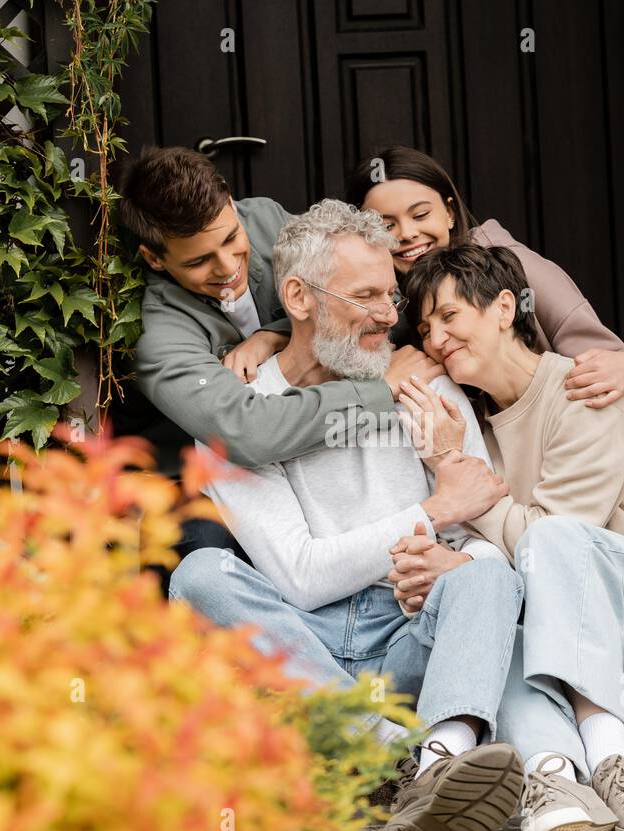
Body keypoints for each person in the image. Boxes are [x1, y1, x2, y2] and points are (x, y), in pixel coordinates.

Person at [167, 200, 533, 831]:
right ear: (298, 298)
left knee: (486, 570)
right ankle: (405, 760)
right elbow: (301, 578)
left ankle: (439, 761)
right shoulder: (245, 413)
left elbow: (478, 517)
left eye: (391, 295)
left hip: (407, 640)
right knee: (198, 577)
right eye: (365, 297)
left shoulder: (426, 386)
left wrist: (457, 557)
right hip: (301, 656)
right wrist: (430, 513)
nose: (389, 315)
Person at [392, 241, 624, 831]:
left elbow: (544, 540)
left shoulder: (584, 390)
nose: (438, 339)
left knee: (551, 538)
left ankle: (613, 762)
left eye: (449, 316)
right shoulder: (475, 427)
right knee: (496, 633)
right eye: (425, 330)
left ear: (505, 308)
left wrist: (456, 475)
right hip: (596, 654)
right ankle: (554, 784)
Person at [116, 146, 442, 582]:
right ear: (154, 258)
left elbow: (377, 294)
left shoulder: (268, 221)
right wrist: (379, 390)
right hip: (211, 476)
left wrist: (272, 335)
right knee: (199, 548)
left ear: (232, 204)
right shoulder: (158, 331)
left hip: (315, 447)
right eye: (198, 261)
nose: (227, 267)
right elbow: (246, 434)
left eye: (231, 239)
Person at [344, 144, 624, 428]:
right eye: (386, 225)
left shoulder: (514, 268)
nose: (407, 233)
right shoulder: (385, 309)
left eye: (420, 215)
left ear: (449, 212)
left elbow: (617, 375)